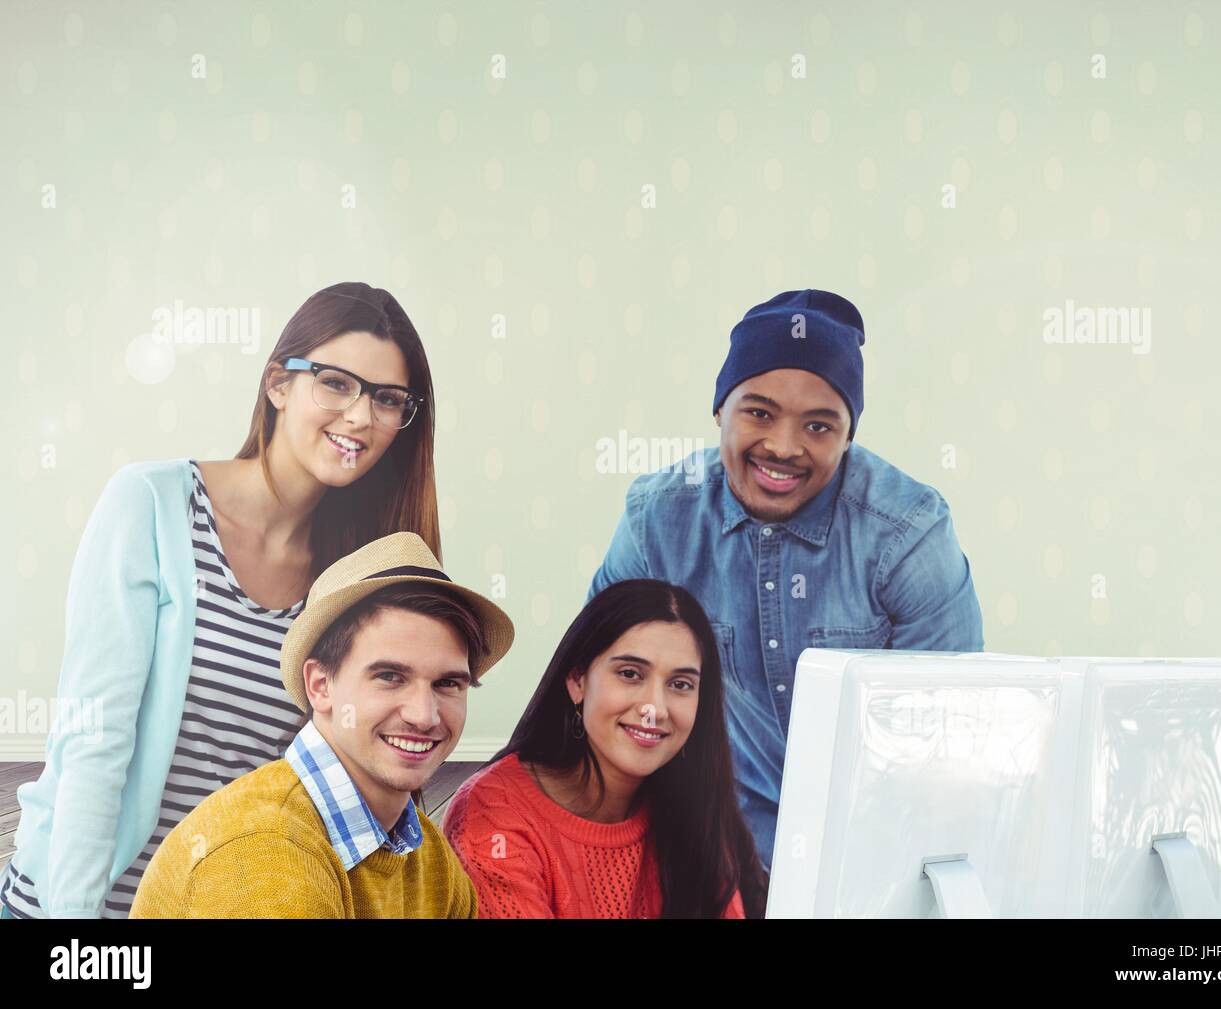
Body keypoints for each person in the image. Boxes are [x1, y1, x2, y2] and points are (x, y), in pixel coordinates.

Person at [2, 282, 446, 919]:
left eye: (386, 398)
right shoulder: (154, 506)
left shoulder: (359, 572)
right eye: (337, 383)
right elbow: (93, 744)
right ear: (278, 384)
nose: (360, 417)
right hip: (77, 907)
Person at [587, 289, 985, 871]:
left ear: (849, 435)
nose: (783, 446)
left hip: (868, 857)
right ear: (720, 407)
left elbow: (955, 725)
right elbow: (600, 686)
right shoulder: (658, 517)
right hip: (705, 854)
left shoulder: (909, 533)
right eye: (759, 411)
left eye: (819, 425)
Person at [131, 531, 514, 917]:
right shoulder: (263, 852)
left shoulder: (428, 855)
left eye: (447, 684)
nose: (424, 715)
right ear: (320, 685)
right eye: (390, 677)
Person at [443, 579, 766, 918]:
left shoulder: (698, 811)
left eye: (681, 684)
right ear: (577, 680)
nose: (654, 707)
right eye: (630, 674)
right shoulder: (495, 814)